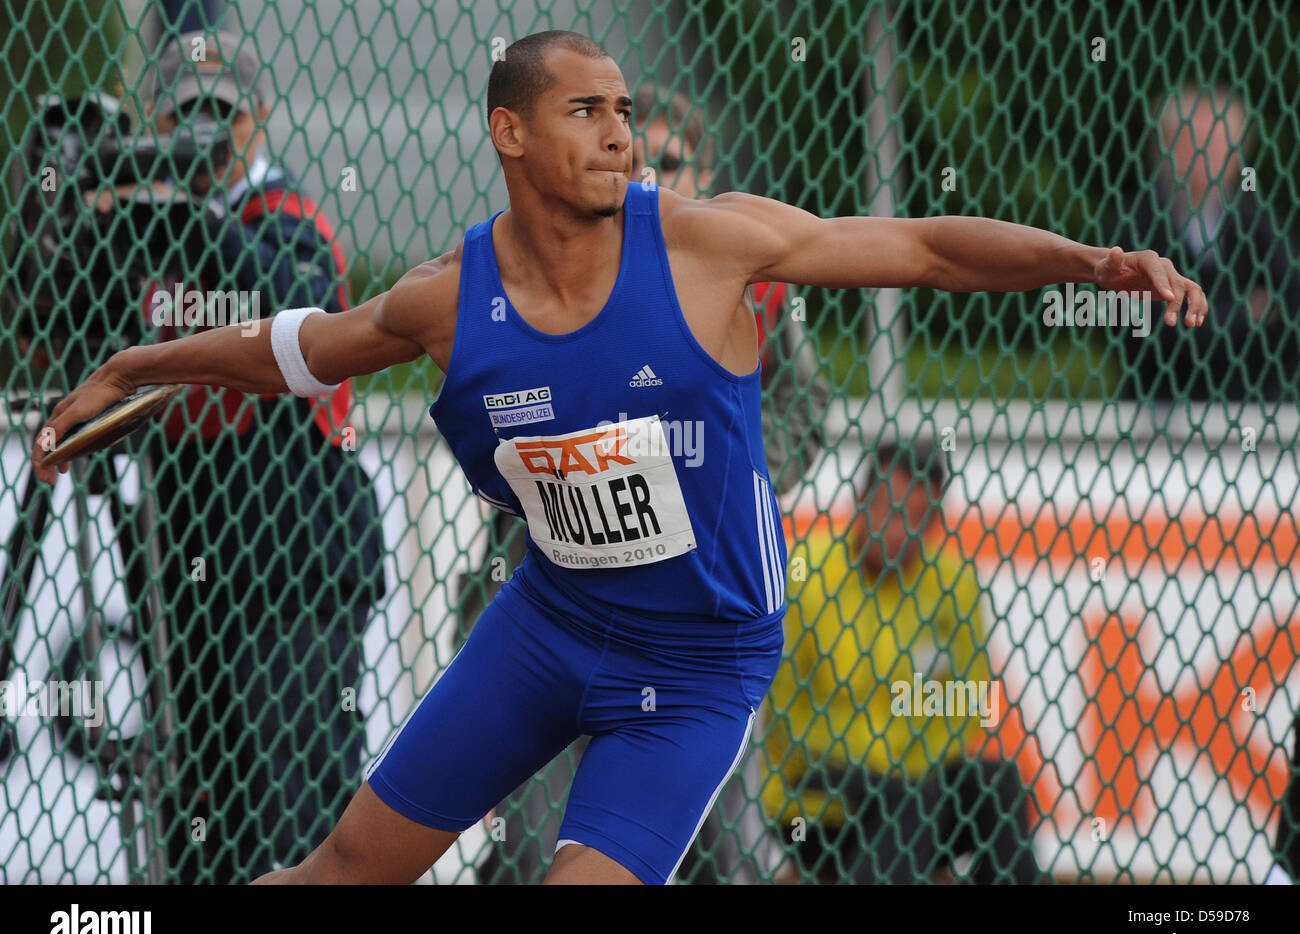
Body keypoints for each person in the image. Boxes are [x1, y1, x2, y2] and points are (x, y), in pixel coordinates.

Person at [32, 29, 1207, 885]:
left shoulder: (704, 244)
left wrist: (1089, 260)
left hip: (698, 664)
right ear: (509, 132)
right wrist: (140, 365)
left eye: (623, 109)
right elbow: (289, 350)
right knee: (340, 867)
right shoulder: (447, 300)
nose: (618, 131)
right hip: (547, 625)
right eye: (584, 110)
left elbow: (922, 249)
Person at [471, 81, 829, 884]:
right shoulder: (549, 265)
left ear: (705, 174)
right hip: (563, 597)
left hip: (703, 606)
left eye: (676, 161)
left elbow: (809, 407)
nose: (658, 177)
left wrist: (721, 477)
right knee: (538, 842)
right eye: (640, 161)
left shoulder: (746, 272)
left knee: (725, 839)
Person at [134, 30, 387, 883]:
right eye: (184, 113)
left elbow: (302, 315)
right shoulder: (147, 221)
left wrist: (191, 214)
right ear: (152, 119)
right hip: (192, 568)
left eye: (223, 113)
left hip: (294, 567)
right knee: (206, 816)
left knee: (296, 820)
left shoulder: (287, 219)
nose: (204, 132)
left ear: (261, 119)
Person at [761, 442, 1036, 883]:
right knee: (903, 799)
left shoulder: (955, 586)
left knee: (998, 783)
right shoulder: (807, 574)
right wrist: (876, 769)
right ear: (862, 500)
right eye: (889, 510)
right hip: (820, 796)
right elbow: (781, 714)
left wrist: (912, 771)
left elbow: (966, 706)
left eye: (916, 518)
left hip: (920, 786)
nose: (897, 530)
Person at [1114, 83, 1299, 402]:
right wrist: (1247, 311)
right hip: (1156, 409)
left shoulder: (1264, 227)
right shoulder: (1133, 229)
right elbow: (1140, 331)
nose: (1202, 156)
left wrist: (1188, 315)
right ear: (1161, 147)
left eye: (1214, 142)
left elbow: (1289, 313)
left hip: (1255, 411)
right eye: (1189, 142)